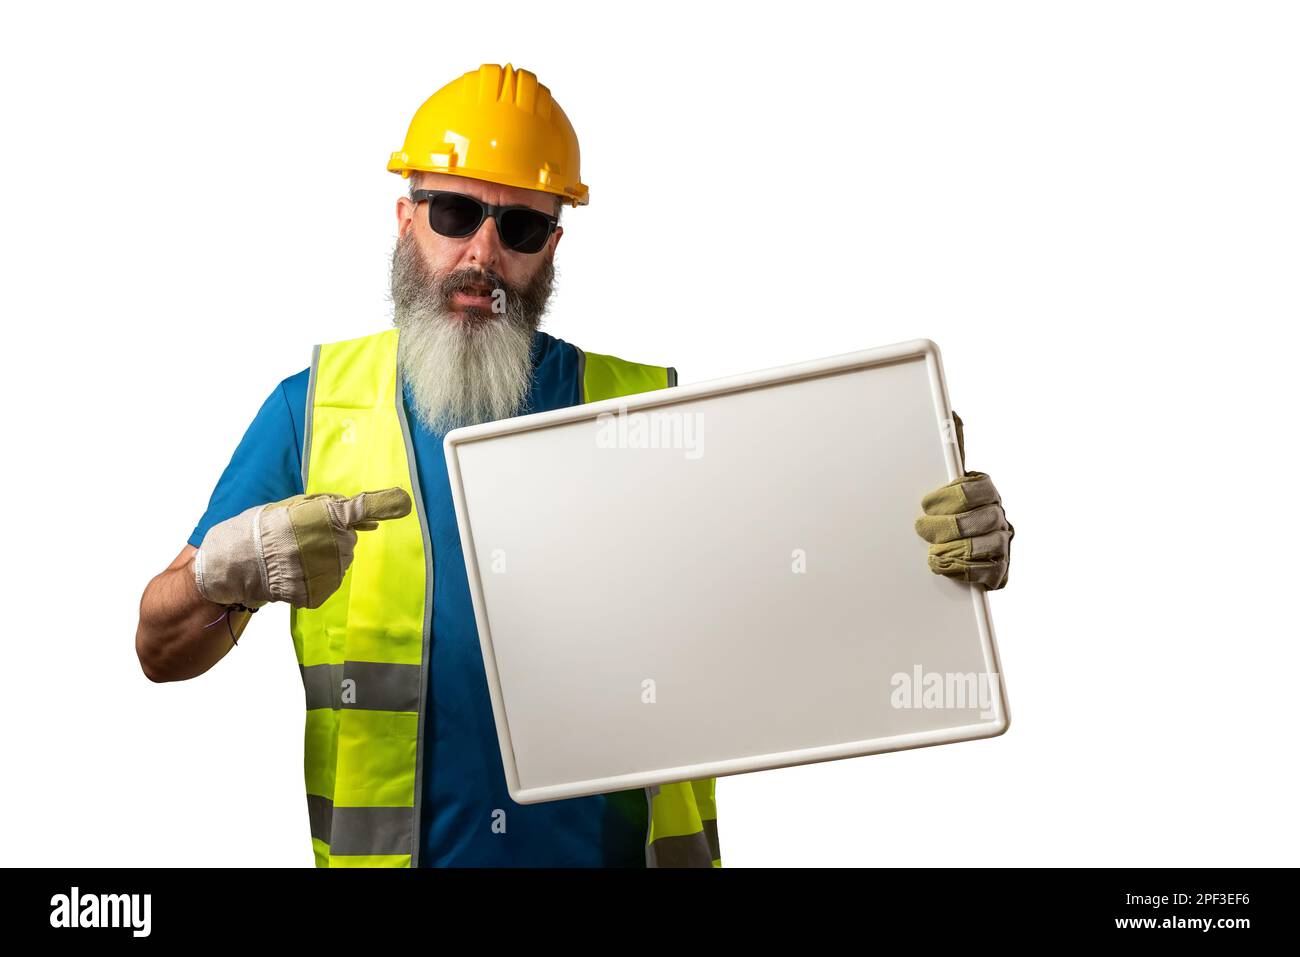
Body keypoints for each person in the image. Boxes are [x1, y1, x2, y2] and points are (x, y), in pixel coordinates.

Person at [134, 63, 1013, 869]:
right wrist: (225, 576)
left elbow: (793, 601)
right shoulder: (312, 408)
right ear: (406, 220)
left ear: (551, 247)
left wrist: (925, 552)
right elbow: (158, 647)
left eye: (519, 224)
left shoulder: (650, 410)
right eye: (453, 213)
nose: (482, 253)